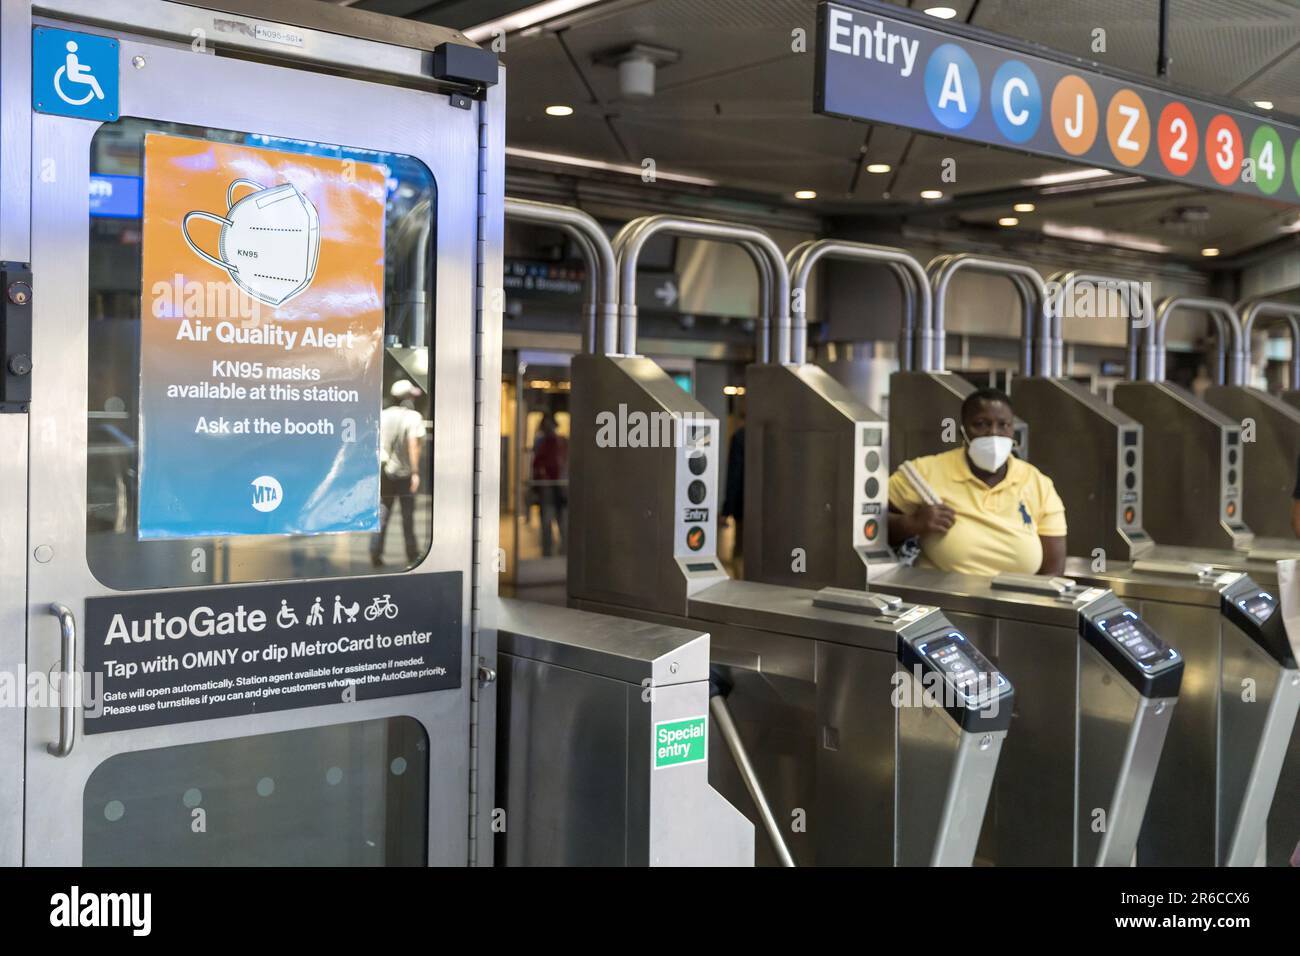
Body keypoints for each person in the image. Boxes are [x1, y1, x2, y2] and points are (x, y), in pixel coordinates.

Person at [887, 387, 1067, 576]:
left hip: (1017, 603)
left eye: (1003, 425)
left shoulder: (1038, 484)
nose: (993, 433)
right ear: (962, 431)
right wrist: (911, 523)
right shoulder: (924, 473)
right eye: (981, 424)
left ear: (1012, 431)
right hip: (943, 598)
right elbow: (867, 525)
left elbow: (1052, 573)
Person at [371, 379, 426, 567]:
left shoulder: (382, 415)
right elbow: (413, 445)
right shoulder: (414, 417)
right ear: (406, 399)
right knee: (407, 515)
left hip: (385, 473)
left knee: (383, 513)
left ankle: (375, 552)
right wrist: (416, 472)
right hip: (404, 474)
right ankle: (412, 554)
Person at [532, 411, 568, 556]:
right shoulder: (541, 442)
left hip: (559, 485)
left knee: (561, 519)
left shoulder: (562, 441)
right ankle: (548, 550)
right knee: (547, 519)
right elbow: (537, 464)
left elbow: (565, 462)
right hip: (547, 486)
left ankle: (563, 549)